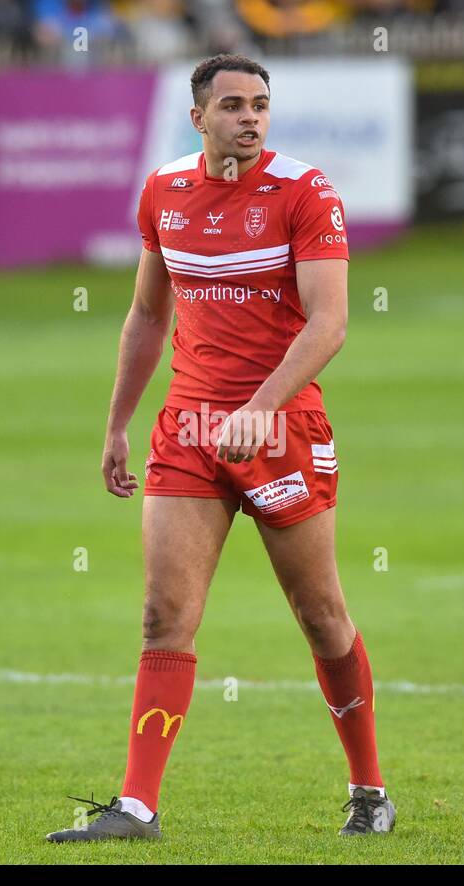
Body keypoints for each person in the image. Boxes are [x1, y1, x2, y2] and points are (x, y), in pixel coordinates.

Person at [46, 53, 393, 842]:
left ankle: (369, 787)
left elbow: (329, 322)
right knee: (164, 615)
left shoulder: (305, 193)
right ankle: (136, 807)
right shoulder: (165, 191)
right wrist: (117, 422)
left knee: (320, 614)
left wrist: (261, 407)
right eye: (232, 104)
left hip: (281, 433)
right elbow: (145, 314)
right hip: (190, 432)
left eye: (260, 104)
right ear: (197, 117)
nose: (249, 116)